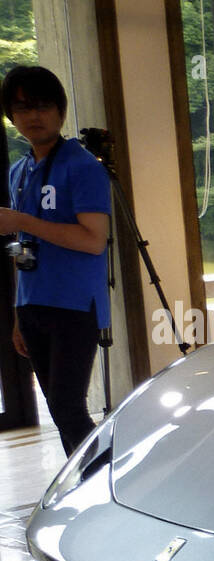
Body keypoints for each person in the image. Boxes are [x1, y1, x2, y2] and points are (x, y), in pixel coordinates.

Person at [0, 66, 109, 456]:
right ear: (11, 116)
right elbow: (22, 245)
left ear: (61, 112)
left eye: (43, 106)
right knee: (60, 411)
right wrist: (17, 311)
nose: (34, 115)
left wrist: (23, 221)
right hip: (33, 305)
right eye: (23, 107)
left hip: (74, 304)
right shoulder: (19, 170)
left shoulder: (83, 166)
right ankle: (81, 491)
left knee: (68, 409)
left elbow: (94, 241)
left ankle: (107, 481)